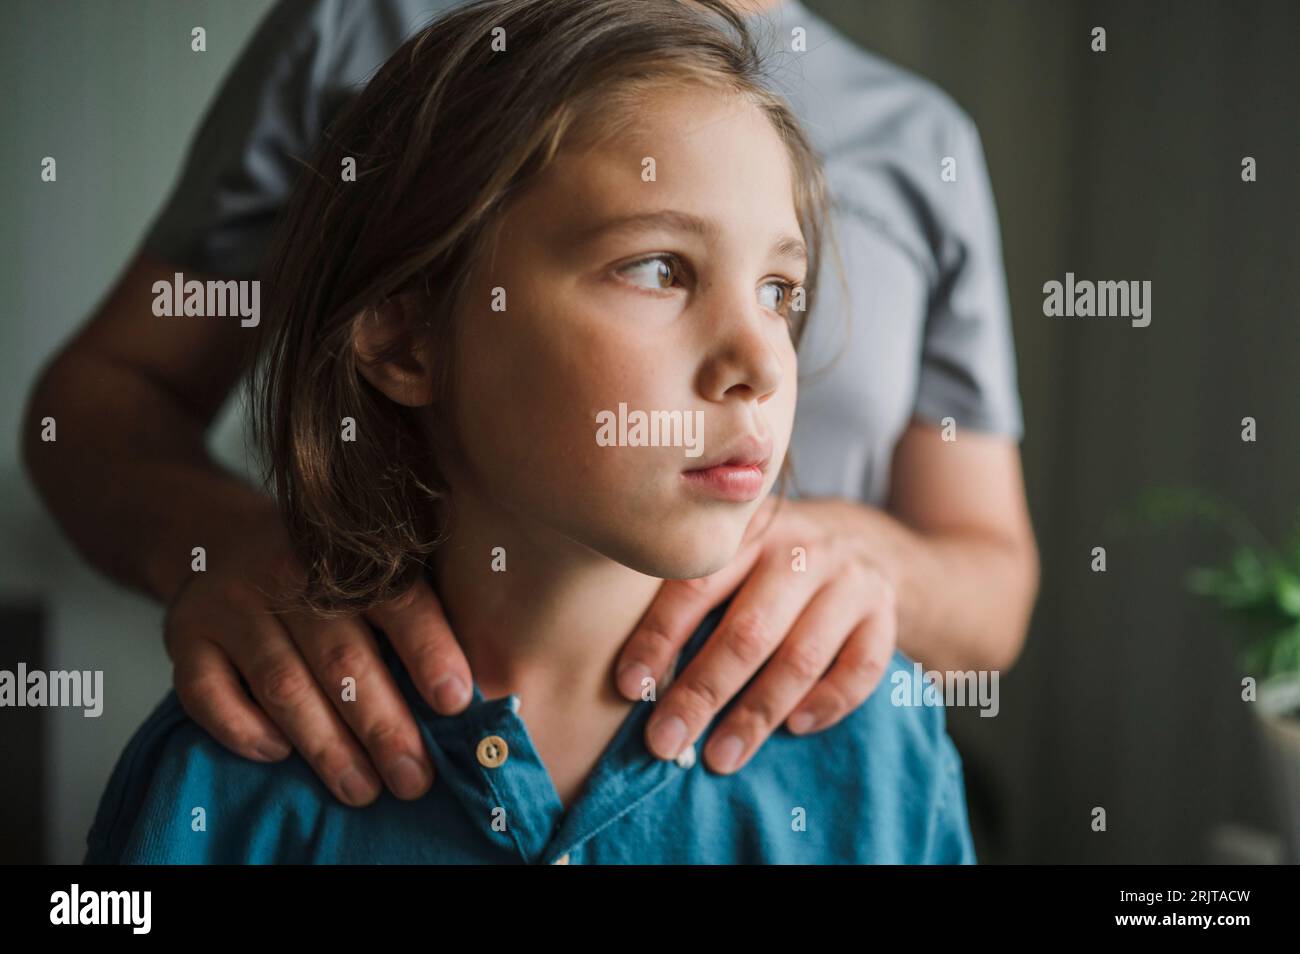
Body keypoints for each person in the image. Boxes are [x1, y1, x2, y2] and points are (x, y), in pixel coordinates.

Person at [23, 0, 1038, 810]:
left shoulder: (922, 139)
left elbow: (993, 581)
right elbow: (102, 399)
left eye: (785, 292)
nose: (766, 366)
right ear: (402, 337)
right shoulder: (359, 22)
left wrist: (870, 561)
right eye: (655, 268)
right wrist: (226, 545)